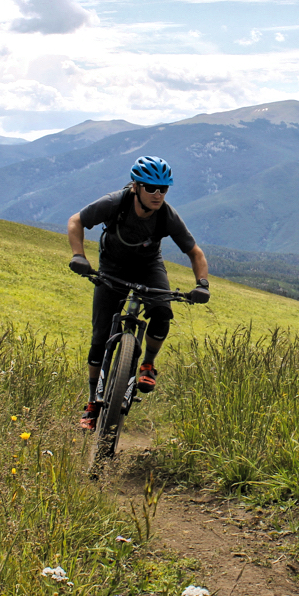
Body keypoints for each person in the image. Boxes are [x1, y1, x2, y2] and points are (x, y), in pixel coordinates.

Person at [67, 155, 210, 431]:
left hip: (148, 266)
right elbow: (76, 222)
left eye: (164, 189)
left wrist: (202, 284)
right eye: (151, 188)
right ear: (136, 186)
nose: (158, 195)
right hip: (112, 267)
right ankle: (92, 403)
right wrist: (79, 256)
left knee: (161, 313)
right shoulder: (114, 203)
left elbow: (195, 252)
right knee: (100, 337)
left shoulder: (166, 215)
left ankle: (147, 365)